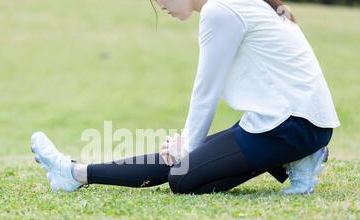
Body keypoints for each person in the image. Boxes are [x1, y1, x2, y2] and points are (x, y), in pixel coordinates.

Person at [31, 0, 340, 195]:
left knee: (182, 177)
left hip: (289, 125)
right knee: (189, 172)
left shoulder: (221, 11)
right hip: (296, 122)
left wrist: (188, 146)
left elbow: (206, 91)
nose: (157, 4)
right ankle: (74, 173)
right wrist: (188, 149)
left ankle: (297, 157)